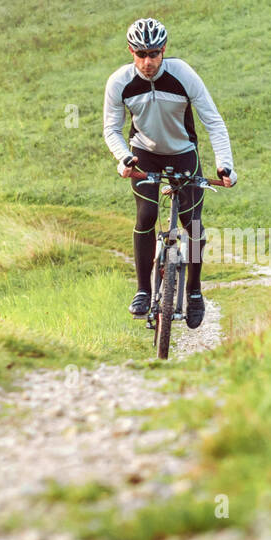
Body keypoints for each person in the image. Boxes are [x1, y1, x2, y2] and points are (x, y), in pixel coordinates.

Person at [103, 17, 236, 330]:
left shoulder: (183, 75)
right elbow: (111, 129)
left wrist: (225, 165)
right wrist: (124, 158)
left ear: (164, 50)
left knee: (193, 225)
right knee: (147, 215)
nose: (147, 62)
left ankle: (193, 292)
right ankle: (143, 290)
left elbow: (213, 121)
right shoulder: (119, 82)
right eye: (140, 54)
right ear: (130, 51)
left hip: (182, 153)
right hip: (144, 155)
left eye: (153, 54)